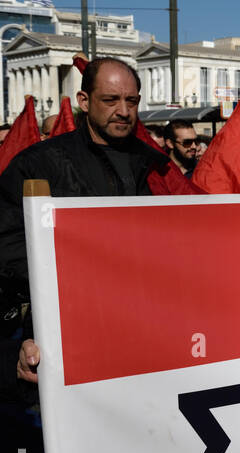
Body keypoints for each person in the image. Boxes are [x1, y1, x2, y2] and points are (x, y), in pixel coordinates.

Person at [0, 57, 173, 395]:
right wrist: (83, 265)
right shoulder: (39, 164)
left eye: (131, 101)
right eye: (111, 100)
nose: (123, 110)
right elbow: (8, 245)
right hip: (69, 335)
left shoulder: (157, 166)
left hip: (146, 335)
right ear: (84, 101)